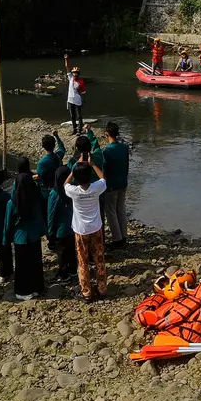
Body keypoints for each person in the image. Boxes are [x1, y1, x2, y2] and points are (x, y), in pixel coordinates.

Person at [66, 158, 108, 302]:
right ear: (89, 176)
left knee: (82, 261)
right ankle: (102, 288)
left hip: (80, 230)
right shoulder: (96, 188)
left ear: (77, 179)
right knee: (99, 258)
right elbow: (103, 178)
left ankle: (86, 292)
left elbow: (65, 183)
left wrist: (73, 170)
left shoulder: (74, 191)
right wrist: (93, 164)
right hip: (96, 228)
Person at [4, 172, 46, 300]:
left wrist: (6, 239)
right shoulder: (35, 200)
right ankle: (37, 288)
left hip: (20, 238)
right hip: (34, 236)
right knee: (36, 263)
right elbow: (40, 216)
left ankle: (23, 291)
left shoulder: (12, 203)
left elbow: (8, 223)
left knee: (22, 266)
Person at [100, 122, 130, 248]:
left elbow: (104, 170)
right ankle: (124, 236)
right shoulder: (124, 147)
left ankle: (117, 239)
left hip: (111, 184)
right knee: (121, 209)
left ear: (107, 134)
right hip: (123, 181)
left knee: (111, 211)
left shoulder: (106, 151)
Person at [46, 165, 77, 282]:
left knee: (62, 254)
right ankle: (73, 271)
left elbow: (51, 214)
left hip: (60, 230)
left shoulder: (54, 194)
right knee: (71, 250)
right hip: (72, 227)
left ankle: (64, 274)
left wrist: (50, 232)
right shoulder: (71, 191)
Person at [63, 54, 86, 135]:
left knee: (79, 116)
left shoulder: (81, 81)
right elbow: (67, 67)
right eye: (74, 73)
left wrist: (83, 100)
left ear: (78, 73)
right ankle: (74, 129)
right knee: (72, 116)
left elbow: (83, 92)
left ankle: (79, 130)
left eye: (76, 73)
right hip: (70, 100)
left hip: (77, 100)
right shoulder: (71, 78)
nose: (75, 74)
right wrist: (66, 59)